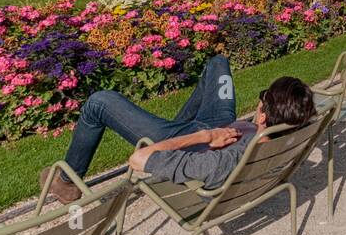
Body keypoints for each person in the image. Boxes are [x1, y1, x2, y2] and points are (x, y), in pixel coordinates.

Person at [42, 56, 316, 204]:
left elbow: (139, 160)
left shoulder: (223, 162)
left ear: (263, 113)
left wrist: (205, 136)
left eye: (264, 97)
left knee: (99, 102)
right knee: (217, 63)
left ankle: (68, 181)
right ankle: (173, 124)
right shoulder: (287, 135)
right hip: (219, 125)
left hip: (192, 139)